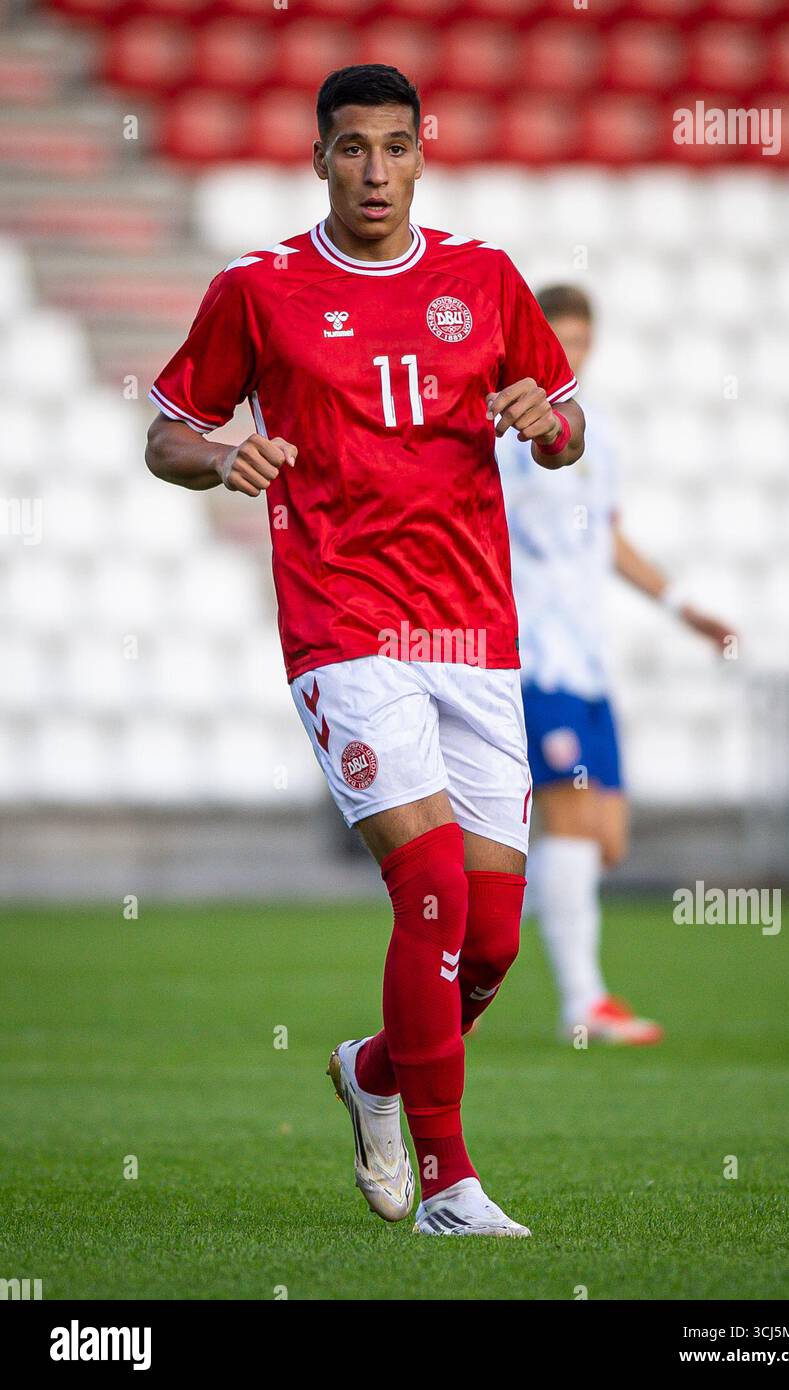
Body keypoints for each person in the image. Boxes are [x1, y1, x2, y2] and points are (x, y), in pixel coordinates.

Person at [144, 66, 585, 1237]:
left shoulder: (484, 280)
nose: (375, 171)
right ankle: (450, 1183)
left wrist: (551, 424)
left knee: (490, 940)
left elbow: (566, 426)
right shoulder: (261, 288)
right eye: (353, 149)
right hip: (345, 624)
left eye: (395, 148)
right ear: (319, 157)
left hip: (475, 631)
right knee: (431, 891)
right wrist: (220, 455)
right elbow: (168, 435)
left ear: (422, 156)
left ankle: (374, 1073)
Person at [497, 285, 732, 1045]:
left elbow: (610, 543)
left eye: (581, 341)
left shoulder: (600, 438)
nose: (571, 353)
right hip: (533, 654)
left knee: (608, 837)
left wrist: (680, 603)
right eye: (557, 338)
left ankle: (491, 932)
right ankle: (583, 1003)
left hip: (590, 660)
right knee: (567, 814)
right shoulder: (502, 429)